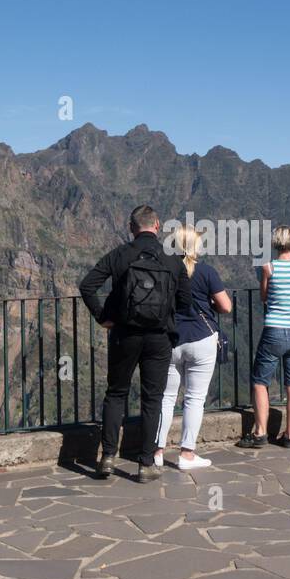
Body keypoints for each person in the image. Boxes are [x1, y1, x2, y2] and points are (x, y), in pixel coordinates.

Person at [79, 205, 191, 482]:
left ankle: (107, 457)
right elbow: (186, 302)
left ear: (131, 227)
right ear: (157, 225)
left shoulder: (119, 255)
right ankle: (145, 464)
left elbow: (87, 286)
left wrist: (103, 317)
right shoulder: (173, 259)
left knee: (116, 393)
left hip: (124, 335)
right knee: (152, 399)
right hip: (159, 338)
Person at [152, 223, 232, 469]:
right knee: (195, 398)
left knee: (165, 397)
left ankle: (156, 451)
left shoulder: (163, 272)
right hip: (201, 338)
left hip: (171, 339)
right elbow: (226, 306)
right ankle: (187, 454)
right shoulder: (206, 272)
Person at [237, 225, 290, 449]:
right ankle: (289, 436)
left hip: (274, 331)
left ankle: (260, 433)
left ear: (275, 243)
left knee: (260, 382)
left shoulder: (268, 267)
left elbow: (263, 296)